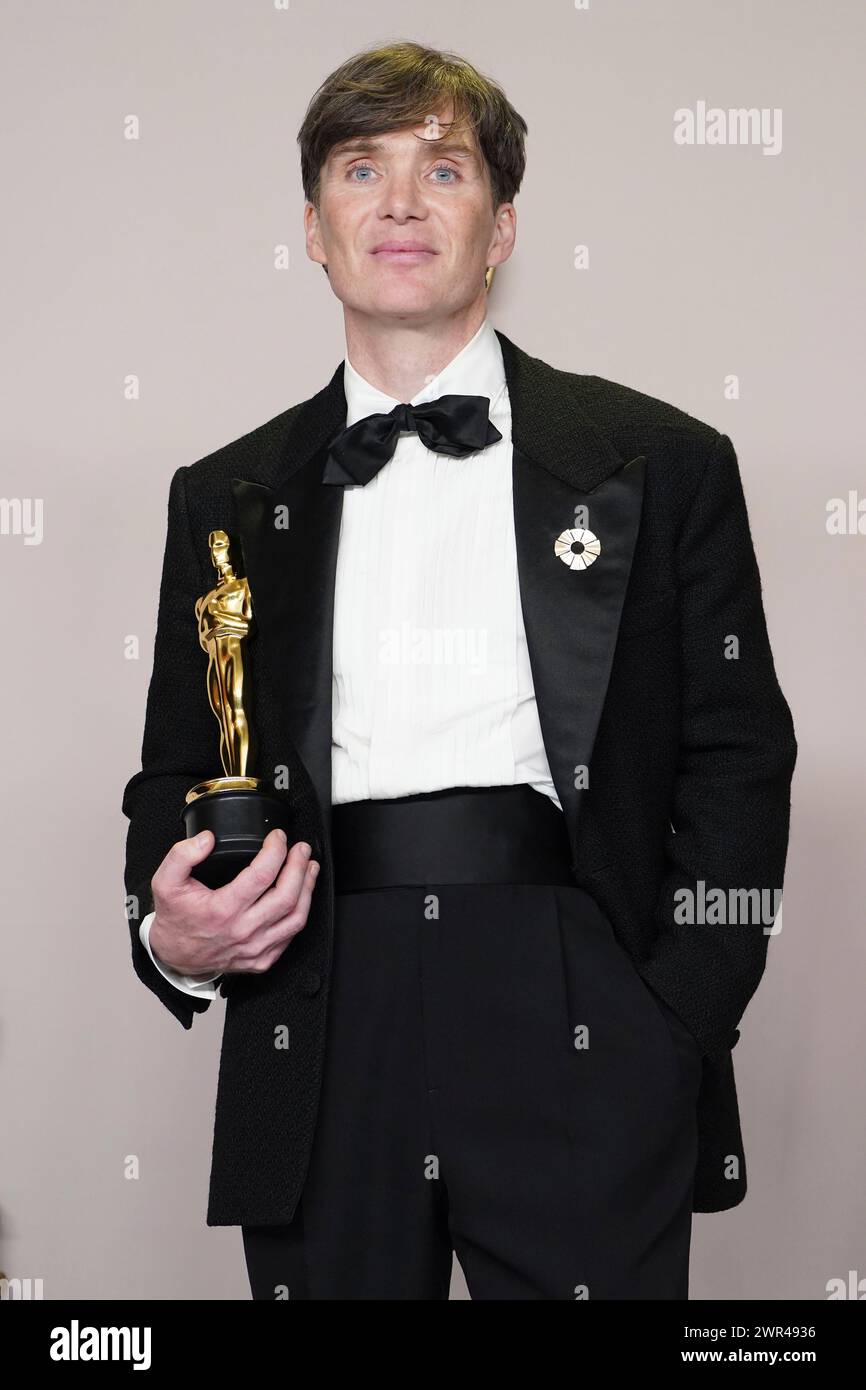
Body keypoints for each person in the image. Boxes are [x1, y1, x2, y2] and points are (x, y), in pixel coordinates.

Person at [121, 40, 797, 1300]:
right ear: (314, 231)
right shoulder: (222, 495)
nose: (397, 202)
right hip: (317, 996)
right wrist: (171, 931)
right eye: (359, 168)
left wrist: (677, 1017)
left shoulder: (662, 458)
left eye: (443, 168)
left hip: (576, 990)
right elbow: (175, 764)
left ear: (499, 229)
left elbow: (739, 755)